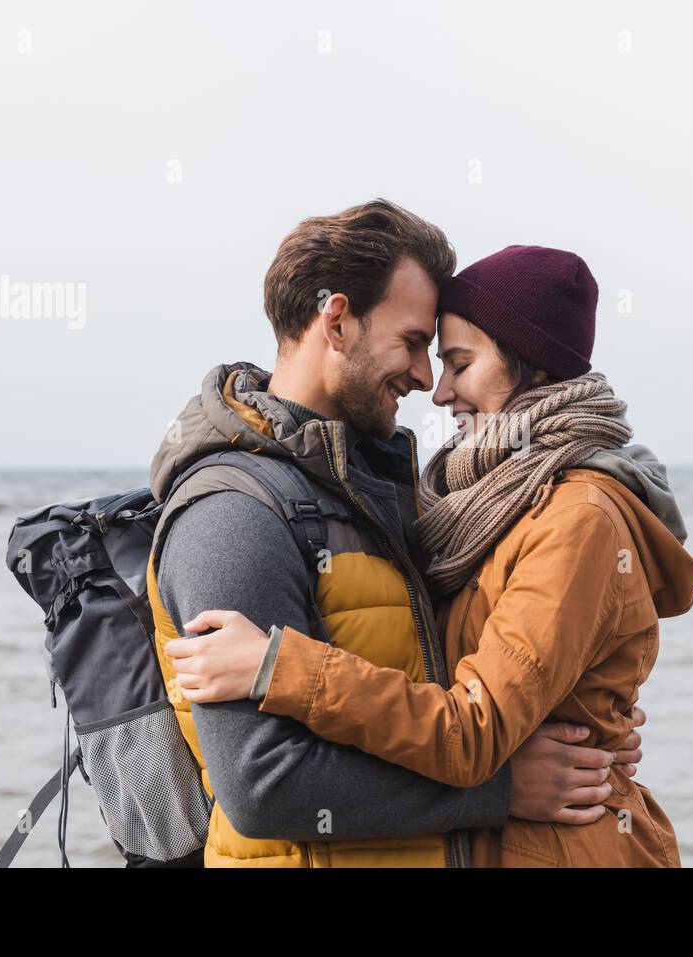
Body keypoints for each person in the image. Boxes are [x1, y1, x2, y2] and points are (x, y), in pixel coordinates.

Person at [147, 203, 647, 867]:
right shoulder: (233, 514)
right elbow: (263, 787)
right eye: (415, 344)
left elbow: (464, 685)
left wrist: (584, 708)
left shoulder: (403, 496)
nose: (426, 382)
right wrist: (498, 789)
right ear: (337, 320)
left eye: (447, 358)